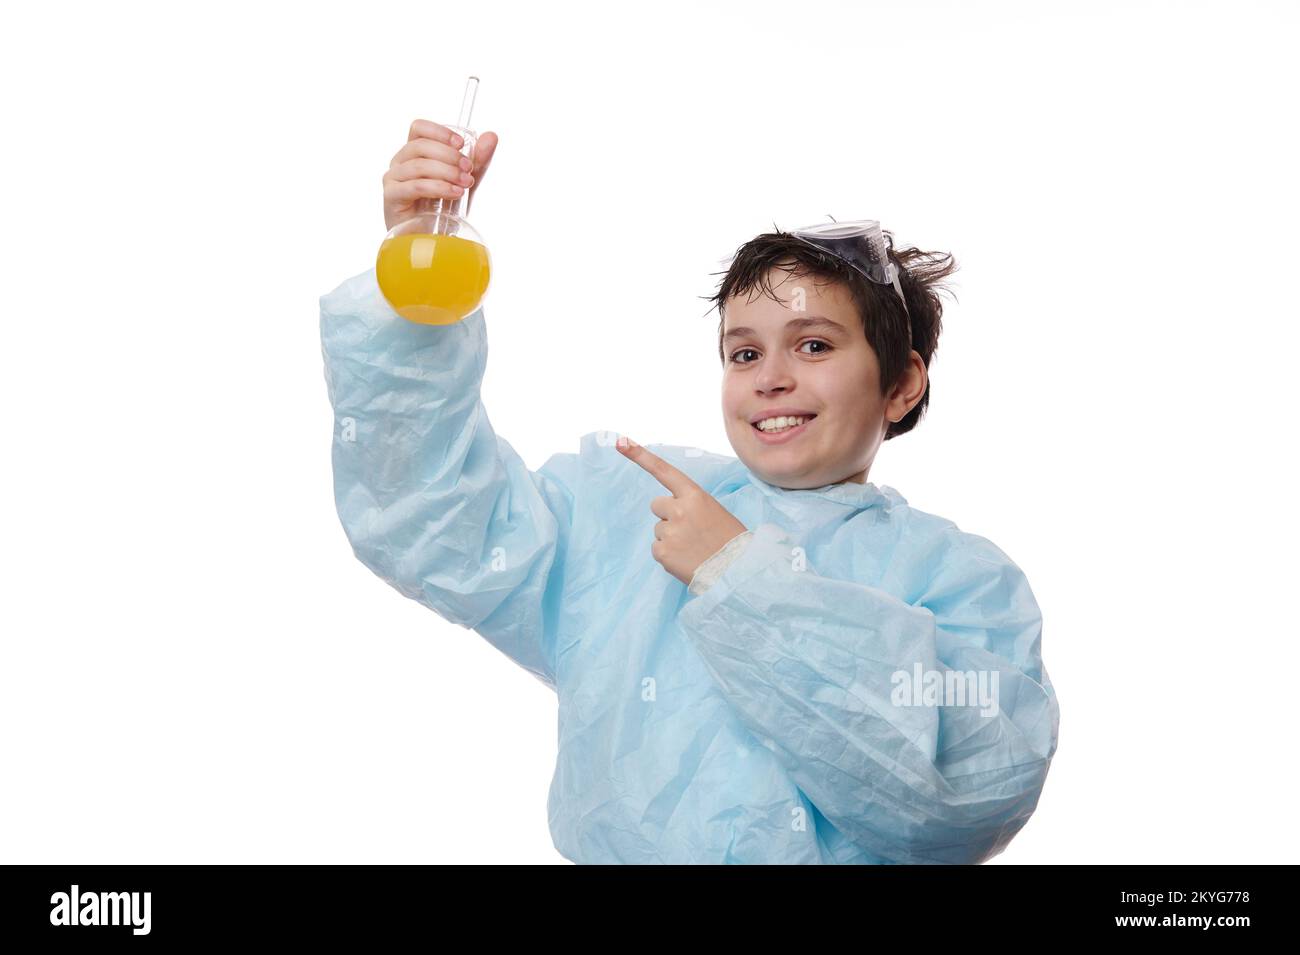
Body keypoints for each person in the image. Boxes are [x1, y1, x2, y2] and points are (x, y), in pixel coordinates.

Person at [319, 119, 1060, 864]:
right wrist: (417, 281)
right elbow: (435, 522)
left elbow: (969, 792)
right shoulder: (631, 509)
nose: (770, 377)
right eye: (744, 352)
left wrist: (738, 578)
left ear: (901, 383)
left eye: (814, 344)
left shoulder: (963, 583)